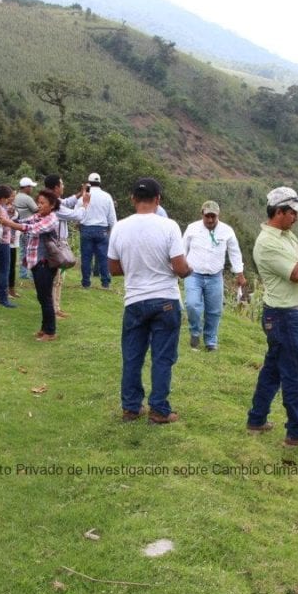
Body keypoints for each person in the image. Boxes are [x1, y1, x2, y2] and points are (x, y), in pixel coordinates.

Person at [245, 187, 298, 446]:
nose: (296, 218)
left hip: (286, 314)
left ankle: (257, 419)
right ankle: (297, 431)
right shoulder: (268, 243)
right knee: (294, 373)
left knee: (273, 370)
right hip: (283, 315)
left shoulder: (286, 236)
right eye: (292, 213)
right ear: (279, 212)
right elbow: (295, 273)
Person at [107, 178, 191, 424]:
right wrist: (188, 270)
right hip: (165, 299)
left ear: (133, 199)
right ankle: (159, 410)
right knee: (162, 357)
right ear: (158, 200)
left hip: (134, 300)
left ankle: (131, 408)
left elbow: (112, 268)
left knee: (132, 356)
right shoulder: (169, 226)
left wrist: (135, 269)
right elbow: (179, 266)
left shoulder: (120, 227)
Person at [0, 190, 62, 341]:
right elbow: (24, 222)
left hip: (45, 263)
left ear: (52, 205)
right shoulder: (39, 216)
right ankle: (44, 328)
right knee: (42, 297)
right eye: (38, 202)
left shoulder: (52, 219)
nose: (39, 206)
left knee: (45, 298)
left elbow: (31, 229)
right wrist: (8, 219)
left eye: (43, 203)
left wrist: (9, 223)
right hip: (36, 263)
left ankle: (50, 332)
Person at [182, 200, 245, 351]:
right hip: (193, 273)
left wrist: (239, 274)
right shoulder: (192, 228)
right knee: (192, 304)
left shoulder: (227, 231)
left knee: (214, 310)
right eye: (207, 216)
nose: (210, 220)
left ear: (218, 215)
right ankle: (195, 332)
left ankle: (210, 341)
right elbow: (182, 249)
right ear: (202, 214)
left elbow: (234, 252)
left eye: (213, 217)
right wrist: (179, 268)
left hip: (215, 276)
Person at [44, 174, 87, 318]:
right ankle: (52, 310)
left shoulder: (53, 200)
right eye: (61, 184)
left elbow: (66, 202)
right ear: (56, 187)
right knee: (55, 278)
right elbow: (76, 215)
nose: (63, 187)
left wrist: (80, 194)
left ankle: (56, 308)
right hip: (55, 245)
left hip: (57, 244)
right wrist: (84, 205)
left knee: (59, 278)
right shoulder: (52, 204)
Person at [78, 172, 117, 290]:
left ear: (89, 182)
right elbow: (112, 217)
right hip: (102, 230)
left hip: (86, 229)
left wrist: (78, 224)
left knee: (86, 257)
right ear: (100, 182)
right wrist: (113, 231)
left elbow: (77, 213)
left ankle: (86, 283)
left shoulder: (84, 196)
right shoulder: (107, 196)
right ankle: (105, 283)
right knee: (103, 257)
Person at [0, 185, 17, 308]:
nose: (8, 201)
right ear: (2, 198)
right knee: (4, 270)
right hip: (2, 242)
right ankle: (3, 297)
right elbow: (0, 224)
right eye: (7, 198)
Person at [14, 177, 39, 281]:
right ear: (26, 187)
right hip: (29, 228)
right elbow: (37, 210)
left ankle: (23, 273)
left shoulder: (16, 197)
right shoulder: (27, 198)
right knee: (32, 251)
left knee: (23, 251)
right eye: (31, 187)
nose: (32, 189)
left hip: (19, 228)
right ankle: (33, 275)